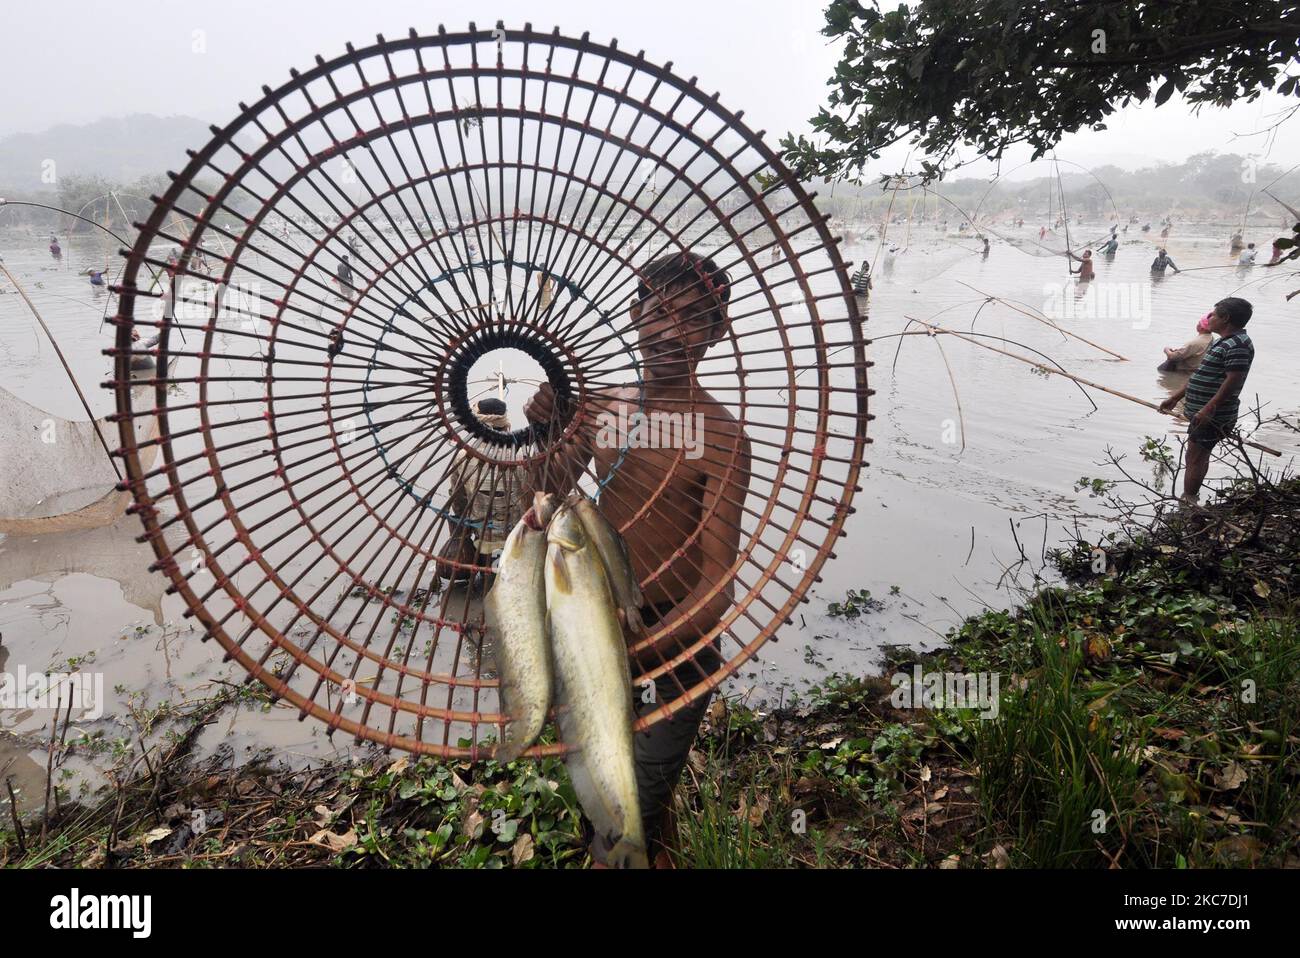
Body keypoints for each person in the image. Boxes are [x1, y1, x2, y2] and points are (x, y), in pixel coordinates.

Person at [522, 250, 750, 868]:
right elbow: (541, 499)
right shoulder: (601, 409)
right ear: (634, 315)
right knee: (601, 791)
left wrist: (644, 650)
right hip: (598, 627)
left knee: (622, 820)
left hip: (680, 647)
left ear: (715, 332)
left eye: (692, 318)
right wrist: (548, 429)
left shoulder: (723, 436)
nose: (671, 332)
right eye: (658, 312)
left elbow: (716, 584)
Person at [1158, 297, 1255, 503]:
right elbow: (1200, 375)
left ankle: (1188, 502)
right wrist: (1175, 397)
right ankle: (1191, 500)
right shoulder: (1223, 341)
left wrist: (1208, 409)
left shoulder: (1237, 345)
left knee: (1195, 458)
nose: (1209, 318)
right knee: (1197, 455)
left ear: (1226, 318)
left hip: (1212, 415)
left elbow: (1233, 380)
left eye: (1214, 314)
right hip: (1203, 412)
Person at [436, 397, 523, 583]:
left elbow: (458, 501)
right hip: (520, 542)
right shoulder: (522, 455)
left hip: (484, 544)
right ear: (505, 421)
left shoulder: (464, 455)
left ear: (476, 422)